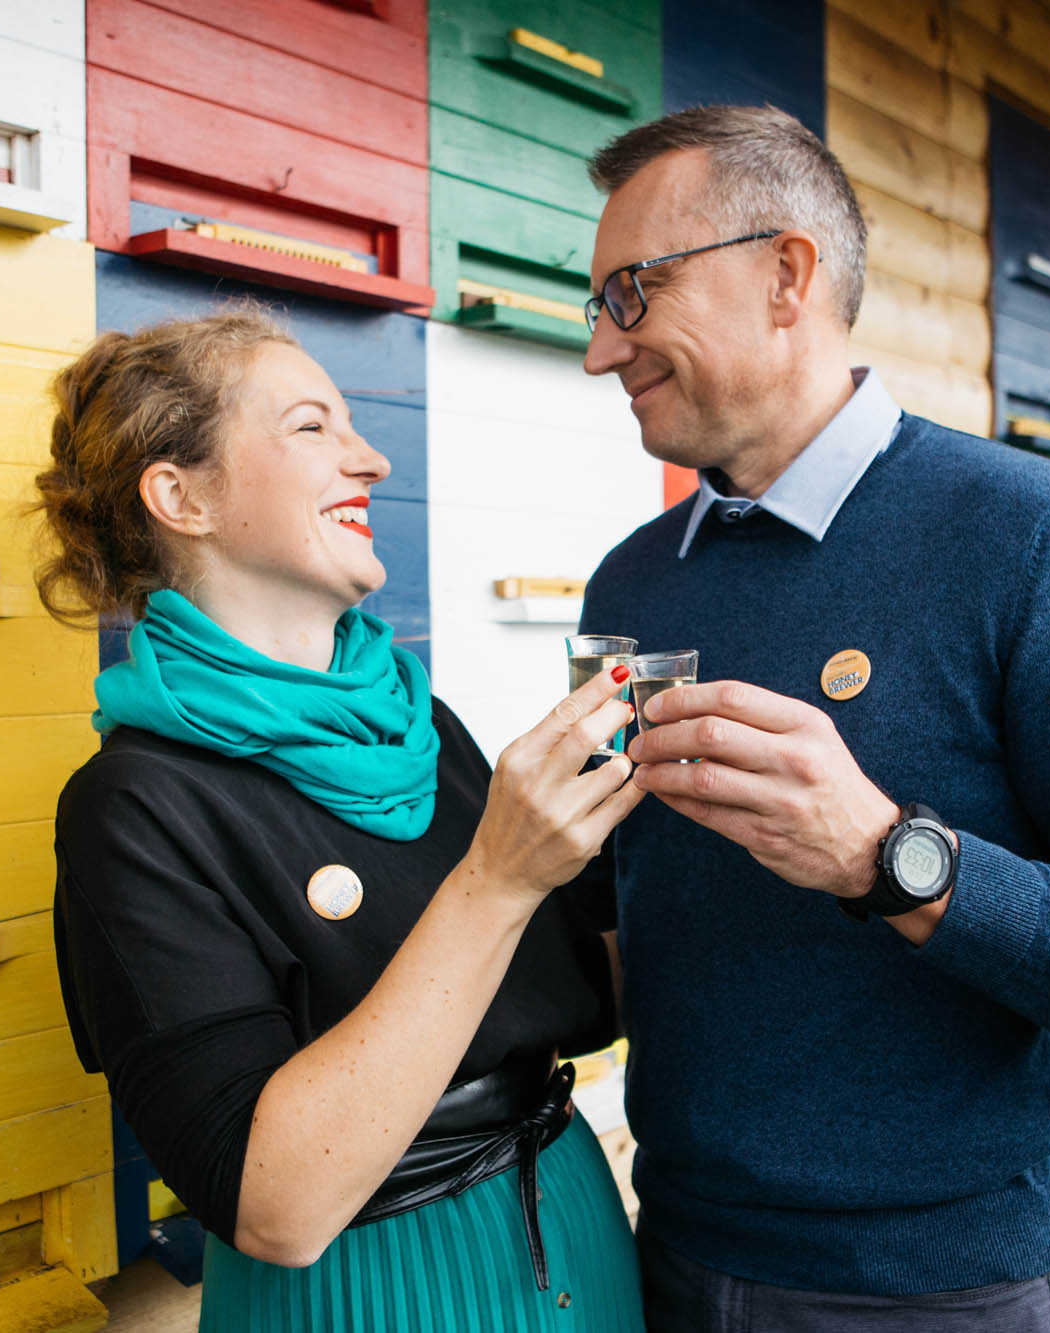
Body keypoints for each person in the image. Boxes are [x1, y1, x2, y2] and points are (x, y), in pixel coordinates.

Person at [573, 105, 1050, 1331]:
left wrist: (885, 856)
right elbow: (614, 916)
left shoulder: (1037, 543)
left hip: (948, 1290)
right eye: (599, 307)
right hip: (672, 1257)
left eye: (629, 292)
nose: (599, 349)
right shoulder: (627, 585)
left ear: (785, 273)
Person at [32, 310, 647, 1331]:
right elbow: (278, 1206)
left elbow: (566, 992)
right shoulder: (131, 808)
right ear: (178, 495)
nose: (369, 457)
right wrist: (496, 877)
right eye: (314, 427)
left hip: (571, 1227)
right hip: (366, 1287)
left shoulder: (420, 723)